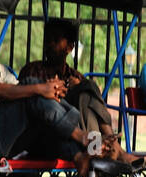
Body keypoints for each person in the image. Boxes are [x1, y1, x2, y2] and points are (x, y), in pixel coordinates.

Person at [0, 23, 103, 169]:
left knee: (38, 104)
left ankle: (79, 156)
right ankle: (81, 136)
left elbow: (22, 89)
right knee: (33, 88)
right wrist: (41, 88)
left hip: (5, 136)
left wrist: (52, 89)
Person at [17, 19, 138, 164]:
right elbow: (30, 104)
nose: (49, 45)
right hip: (45, 133)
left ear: (69, 47)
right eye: (47, 40)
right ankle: (115, 150)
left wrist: (77, 87)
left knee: (87, 91)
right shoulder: (32, 70)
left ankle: (105, 149)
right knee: (87, 87)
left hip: (76, 135)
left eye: (55, 40)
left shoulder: (75, 76)